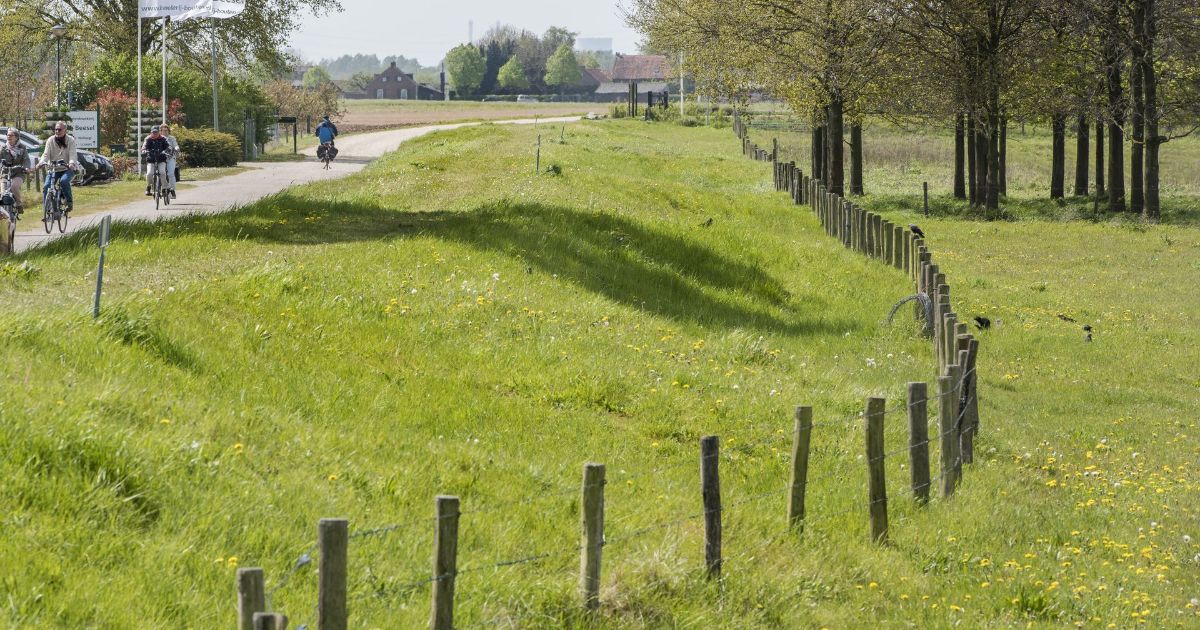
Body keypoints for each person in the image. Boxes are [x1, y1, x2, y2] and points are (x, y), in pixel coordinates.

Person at [38, 121, 78, 213]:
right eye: (55, 129)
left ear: (65, 130)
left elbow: (73, 154)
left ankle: (69, 202)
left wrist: (71, 163)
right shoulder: (50, 140)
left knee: (64, 181)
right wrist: (41, 162)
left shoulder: (70, 140)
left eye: (59, 129)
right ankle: (47, 211)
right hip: (54, 168)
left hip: (67, 168)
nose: (57, 131)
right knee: (46, 186)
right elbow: (46, 154)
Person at [0, 128, 28, 212]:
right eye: (7, 135)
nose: (8, 137)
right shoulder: (3, 148)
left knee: (14, 187)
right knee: (2, 192)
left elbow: (26, 159)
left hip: (18, 173)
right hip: (5, 173)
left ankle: (19, 204)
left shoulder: (22, 147)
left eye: (11, 135)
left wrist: (26, 167)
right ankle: (4, 213)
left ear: (16, 137)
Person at [141, 126, 172, 197]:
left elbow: (168, 146)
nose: (154, 134)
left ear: (159, 132)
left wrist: (167, 150)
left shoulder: (163, 139)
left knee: (162, 172)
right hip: (151, 160)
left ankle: (164, 189)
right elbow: (144, 147)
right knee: (149, 174)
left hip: (161, 159)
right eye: (153, 132)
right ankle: (149, 186)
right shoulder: (148, 139)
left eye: (156, 132)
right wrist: (144, 150)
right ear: (151, 133)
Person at [159, 123, 180, 199]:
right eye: (163, 130)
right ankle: (161, 188)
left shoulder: (172, 138)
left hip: (170, 158)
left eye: (166, 130)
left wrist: (177, 148)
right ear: (160, 131)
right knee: (160, 173)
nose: (165, 132)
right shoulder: (158, 138)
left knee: (171, 174)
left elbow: (175, 145)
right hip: (161, 158)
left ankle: (172, 190)